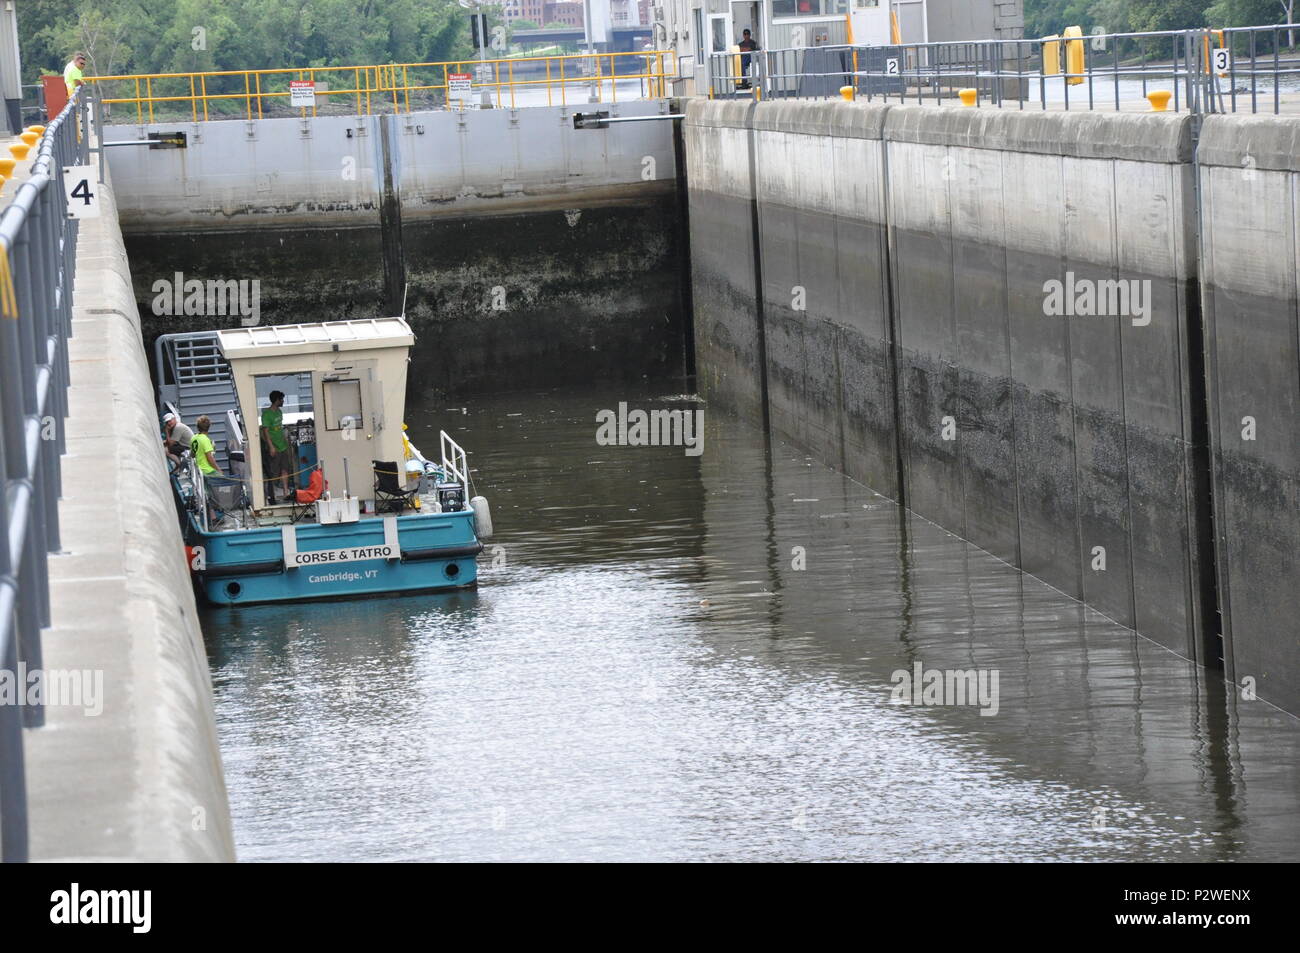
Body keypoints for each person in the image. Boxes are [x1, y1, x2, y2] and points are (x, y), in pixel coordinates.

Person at [260, 390, 292, 503]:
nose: (283, 401)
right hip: (274, 447)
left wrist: (285, 440)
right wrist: (271, 447)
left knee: (285, 469)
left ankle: (285, 492)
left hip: (283, 446)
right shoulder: (267, 414)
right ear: (277, 400)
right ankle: (270, 496)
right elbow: (265, 431)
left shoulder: (279, 412)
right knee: (273, 472)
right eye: (281, 399)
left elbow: (280, 428)